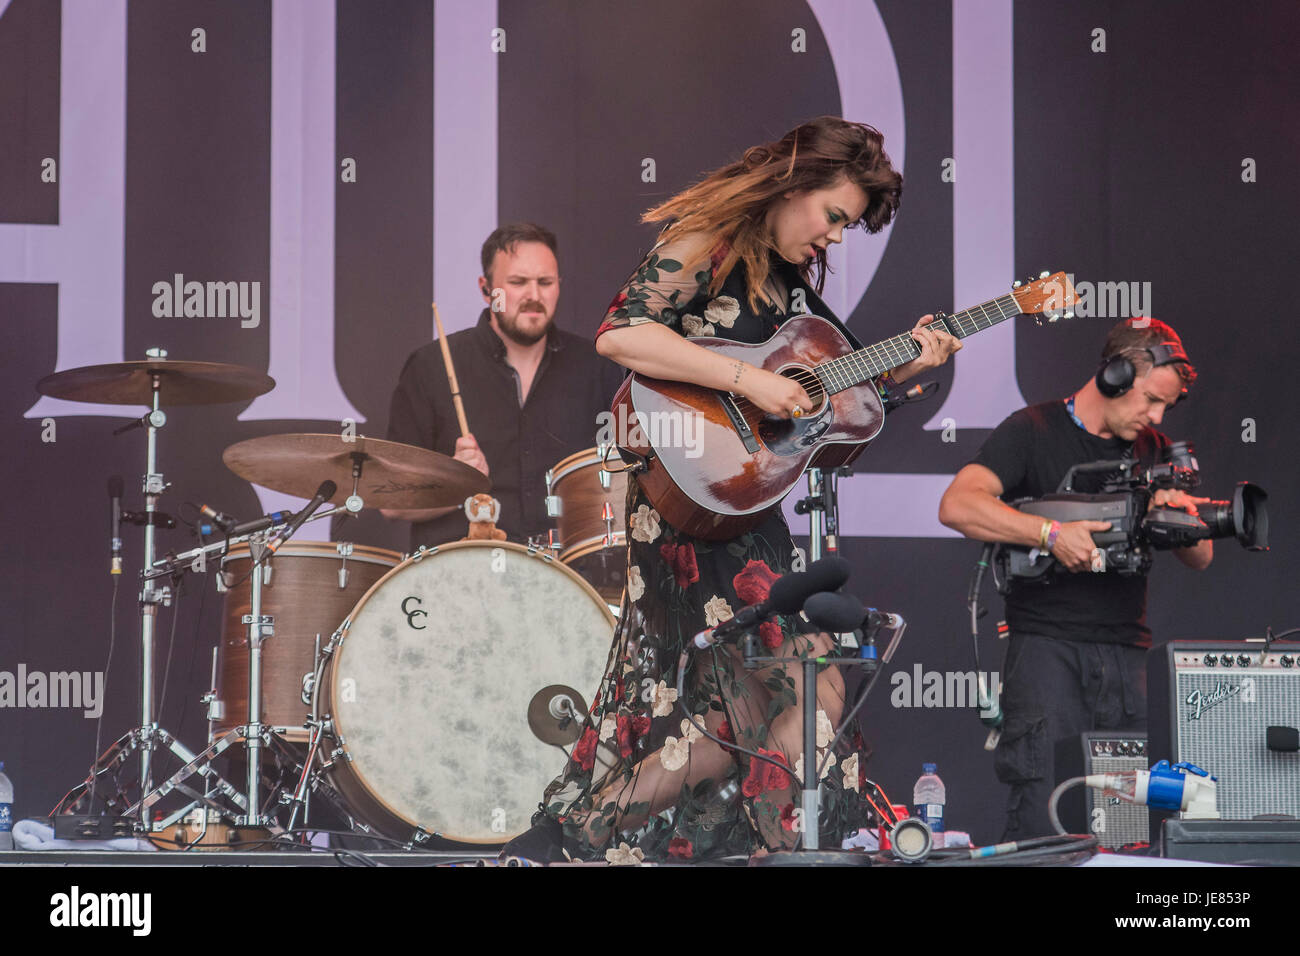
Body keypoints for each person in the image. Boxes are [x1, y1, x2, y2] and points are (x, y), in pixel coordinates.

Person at [505, 116, 961, 863]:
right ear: (795, 183)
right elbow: (623, 335)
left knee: (766, 710)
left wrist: (910, 363)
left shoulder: (789, 283)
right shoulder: (706, 238)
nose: (836, 239)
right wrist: (751, 380)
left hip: (748, 511)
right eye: (834, 217)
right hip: (687, 502)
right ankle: (585, 830)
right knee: (762, 704)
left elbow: (827, 392)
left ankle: (750, 845)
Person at [938, 317, 1213, 840]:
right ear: (1113, 375)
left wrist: (1180, 517)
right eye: (1151, 399)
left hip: (1129, 660)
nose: (1156, 416)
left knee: (1128, 829)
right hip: (1048, 657)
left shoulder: (1153, 448)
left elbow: (1201, 559)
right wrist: (1049, 533)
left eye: (1166, 407)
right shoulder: (1033, 430)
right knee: (1045, 819)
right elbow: (957, 505)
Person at [383, 222, 624, 548]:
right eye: (518, 282)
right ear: (486, 289)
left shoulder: (597, 367)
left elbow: (629, 482)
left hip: (567, 576)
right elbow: (390, 502)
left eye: (545, 282)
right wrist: (454, 484)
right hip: (460, 575)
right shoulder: (431, 366)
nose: (534, 296)